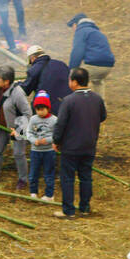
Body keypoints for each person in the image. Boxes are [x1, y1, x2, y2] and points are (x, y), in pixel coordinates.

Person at [51, 67, 106, 220]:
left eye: (70, 79)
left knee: (67, 178)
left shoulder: (69, 101)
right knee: (86, 177)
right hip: (89, 145)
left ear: (74, 82)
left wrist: (56, 140)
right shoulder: (97, 99)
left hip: (71, 146)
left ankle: (68, 210)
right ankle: (85, 208)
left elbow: (60, 124)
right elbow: (102, 116)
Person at [65, 13, 116, 97]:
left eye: (72, 27)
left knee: (76, 80)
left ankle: (77, 105)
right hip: (108, 66)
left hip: (95, 65)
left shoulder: (81, 31)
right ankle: (101, 106)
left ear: (75, 24)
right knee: (98, 81)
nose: (73, 29)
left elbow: (77, 52)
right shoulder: (96, 31)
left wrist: (72, 70)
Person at [24, 92, 57, 200]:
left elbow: (57, 135)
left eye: (42, 109)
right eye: (37, 109)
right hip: (36, 151)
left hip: (49, 151)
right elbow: (29, 132)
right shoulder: (33, 119)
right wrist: (34, 141)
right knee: (33, 173)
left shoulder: (54, 120)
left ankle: (49, 195)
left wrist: (47, 140)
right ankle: (33, 192)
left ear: (48, 108)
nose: (40, 112)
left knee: (49, 173)